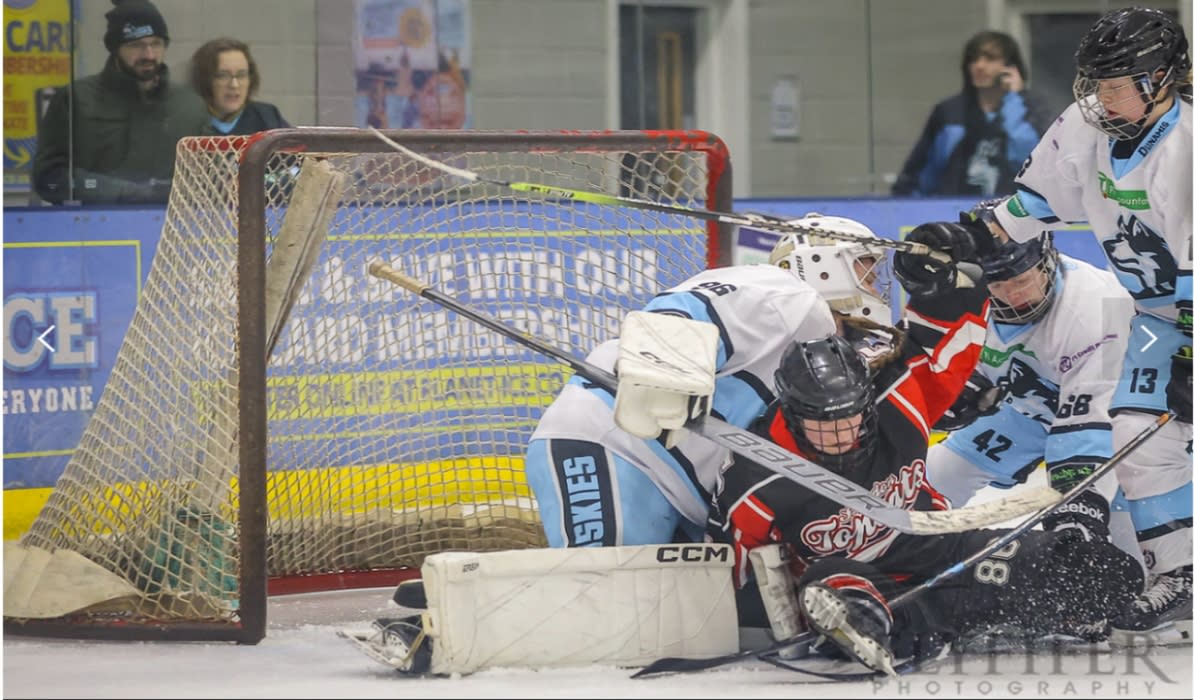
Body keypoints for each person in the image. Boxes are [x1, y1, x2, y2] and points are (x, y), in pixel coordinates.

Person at [710, 223, 1144, 674]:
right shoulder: (755, 467)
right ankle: (908, 616)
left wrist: (942, 276)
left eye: (852, 415)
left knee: (1103, 574)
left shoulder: (894, 385)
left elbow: (940, 338)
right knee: (829, 581)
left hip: (940, 548)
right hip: (858, 574)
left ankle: (921, 621)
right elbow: (737, 573)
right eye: (862, 268)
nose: (841, 433)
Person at [973, 6, 1192, 644]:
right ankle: (1179, 572)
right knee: (1136, 431)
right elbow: (1032, 204)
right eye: (1095, 82)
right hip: (1158, 317)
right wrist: (972, 233)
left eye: (1116, 84)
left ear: (1160, 80)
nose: (1100, 97)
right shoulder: (1086, 126)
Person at [524, 213, 891, 549]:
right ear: (821, 265)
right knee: (608, 603)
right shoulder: (790, 296)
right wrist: (665, 372)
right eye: (867, 273)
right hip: (616, 446)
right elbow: (682, 307)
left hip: (693, 497)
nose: (876, 287)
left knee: (681, 620)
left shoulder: (843, 353)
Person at [926, 233, 1140, 571]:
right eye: (998, 286)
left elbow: (1088, 423)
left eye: (1022, 280)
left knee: (1120, 543)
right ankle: (902, 558)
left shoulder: (1097, 304)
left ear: (1047, 261)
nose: (1013, 295)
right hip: (1031, 407)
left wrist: (1074, 509)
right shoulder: (967, 294)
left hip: (1120, 413)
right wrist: (957, 390)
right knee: (932, 480)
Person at [31, 0, 207, 204]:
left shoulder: (191, 106)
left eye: (156, 44)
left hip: (172, 228)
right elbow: (49, 179)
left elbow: (211, 180)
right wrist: (119, 191)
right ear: (115, 48)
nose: (149, 54)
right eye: (136, 45)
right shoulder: (76, 100)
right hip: (94, 229)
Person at [891, 30, 1053, 198]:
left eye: (990, 59)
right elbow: (922, 172)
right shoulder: (950, 112)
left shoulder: (1032, 109)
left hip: (1013, 211)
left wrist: (1015, 99)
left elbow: (1032, 162)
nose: (979, 66)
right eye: (973, 59)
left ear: (1011, 68)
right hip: (952, 208)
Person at [189, 38, 291, 136]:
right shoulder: (189, 122)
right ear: (205, 79)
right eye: (223, 75)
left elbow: (295, 150)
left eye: (241, 75)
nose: (234, 85)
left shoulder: (267, 117)